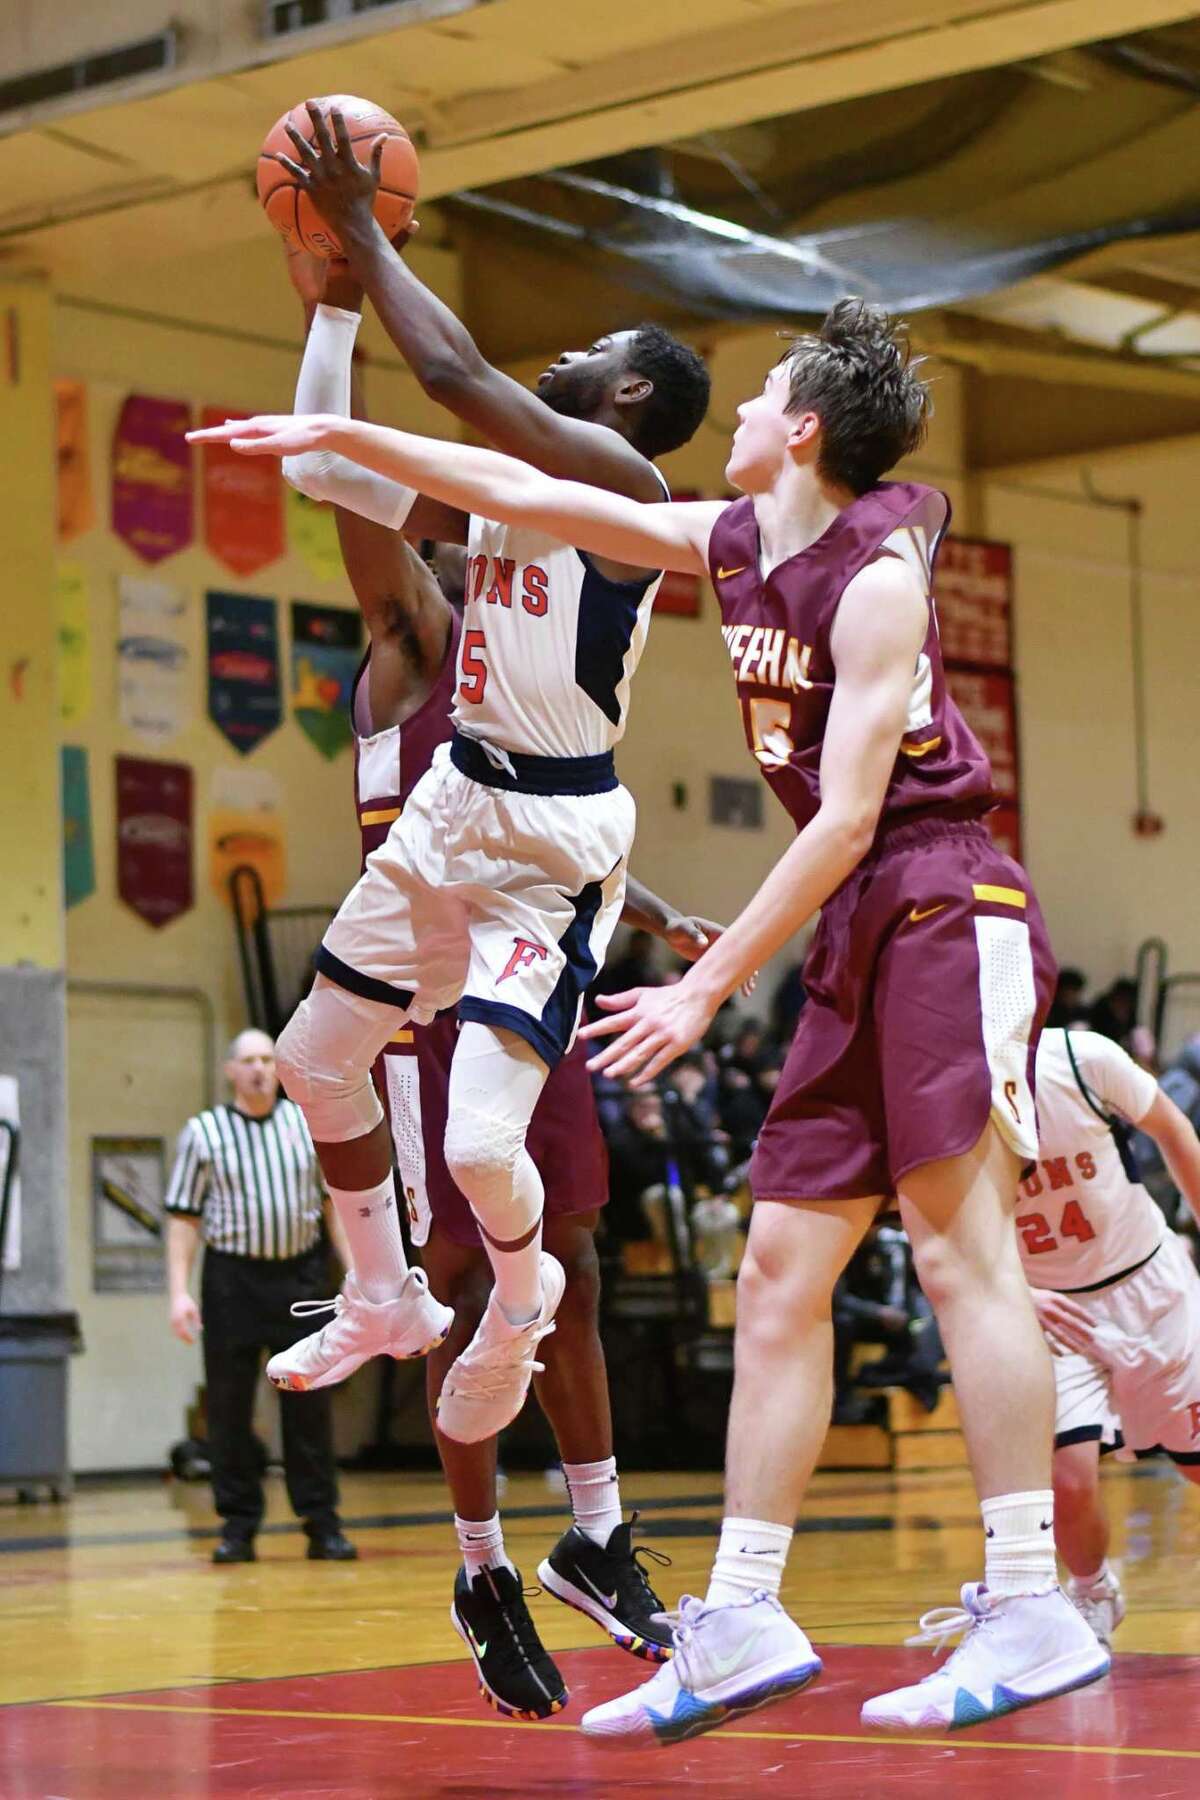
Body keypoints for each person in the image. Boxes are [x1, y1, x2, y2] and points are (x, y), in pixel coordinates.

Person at [199, 296, 1115, 1736]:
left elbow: (851, 819)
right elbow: (520, 488)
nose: (736, 409)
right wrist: (336, 436)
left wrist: (700, 983)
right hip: (854, 928)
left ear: (801, 428)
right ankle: (739, 1617)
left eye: (761, 394)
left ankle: (1029, 1599)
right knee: (778, 1271)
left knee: (957, 1247)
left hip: (944, 896)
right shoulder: (738, 541)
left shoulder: (877, 578)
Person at [193, 104, 711, 1463]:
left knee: (483, 1152)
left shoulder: (628, 487)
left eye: (594, 354)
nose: (568, 354)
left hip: (549, 837)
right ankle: (382, 1294)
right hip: (455, 809)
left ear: (632, 398)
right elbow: (328, 468)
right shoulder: (498, 496)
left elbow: (456, 373)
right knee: (314, 1061)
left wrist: (366, 233)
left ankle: (522, 1307)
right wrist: (330, 304)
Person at [268, 244, 718, 1716]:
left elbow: (564, 805)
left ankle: (599, 1537)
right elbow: (353, 476)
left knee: (560, 1258)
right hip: (422, 980)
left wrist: (656, 914)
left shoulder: (561, 553)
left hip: (533, 933)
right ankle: (479, 1563)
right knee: (457, 1277)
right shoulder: (417, 632)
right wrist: (335, 305)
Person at [1017, 1026, 1200, 1645]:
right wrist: (1010, 1291)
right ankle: (1092, 1589)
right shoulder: (938, 1098)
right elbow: (930, 1223)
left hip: (1149, 1287)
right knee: (1066, 1480)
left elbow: (1174, 1130)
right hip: (1051, 1307)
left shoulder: (1081, 1057)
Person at [164, 1030, 356, 1563]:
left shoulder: (305, 1124)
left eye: (268, 1059)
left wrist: (357, 1271)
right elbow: (183, 1218)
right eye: (248, 1060)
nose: (259, 1069)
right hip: (232, 1281)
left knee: (309, 1404)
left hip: (300, 1278)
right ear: (230, 1070)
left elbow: (334, 1206)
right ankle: (237, 1527)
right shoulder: (204, 1132)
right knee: (229, 1407)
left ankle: (322, 1524)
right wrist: (178, 1292)